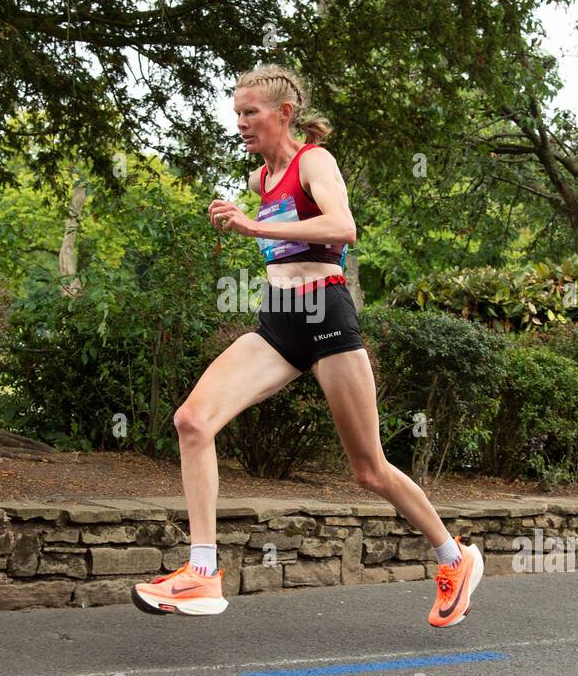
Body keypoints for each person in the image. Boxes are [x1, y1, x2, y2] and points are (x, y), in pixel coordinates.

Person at [132, 63, 484, 626]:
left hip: (326, 315)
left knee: (369, 470)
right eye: (237, 114)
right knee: (193, 421)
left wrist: (254, 229)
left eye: (251, 113)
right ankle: (202, 574)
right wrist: (240, 219)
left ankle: (454, 555)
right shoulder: (258, 182)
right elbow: (278, 237)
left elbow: (343, 228)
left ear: (284, 114)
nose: (241, 123)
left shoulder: (312, 162)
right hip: (277, 320)